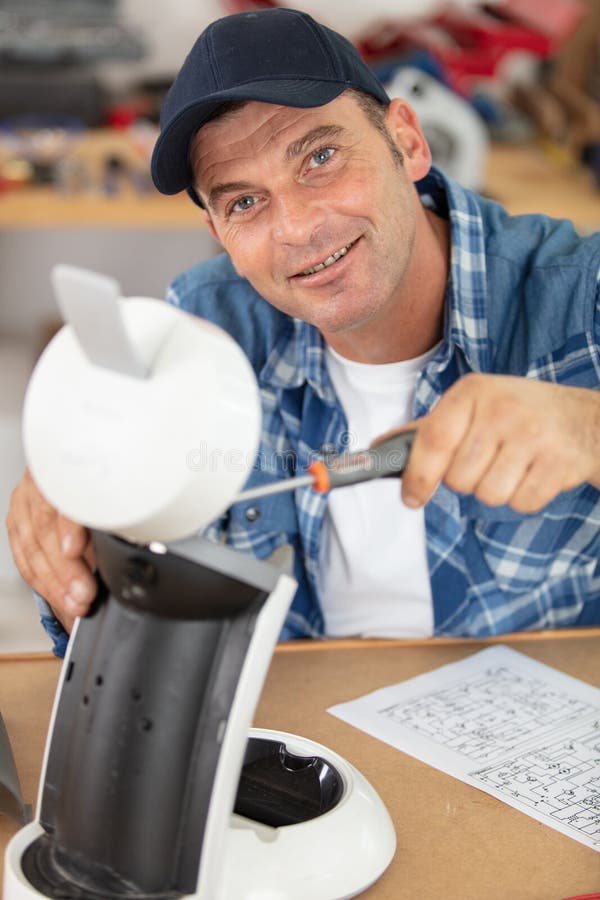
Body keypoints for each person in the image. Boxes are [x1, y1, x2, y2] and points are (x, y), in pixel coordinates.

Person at [6, 8, 600, 657]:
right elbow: (155, 641)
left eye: (319, 156)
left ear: (407, 141)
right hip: (309, 732)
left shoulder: (579, 292)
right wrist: (85, 512)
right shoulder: (204, 334)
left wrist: (587, 428)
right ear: (220, 237)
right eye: (244, 202)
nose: (294, 227)